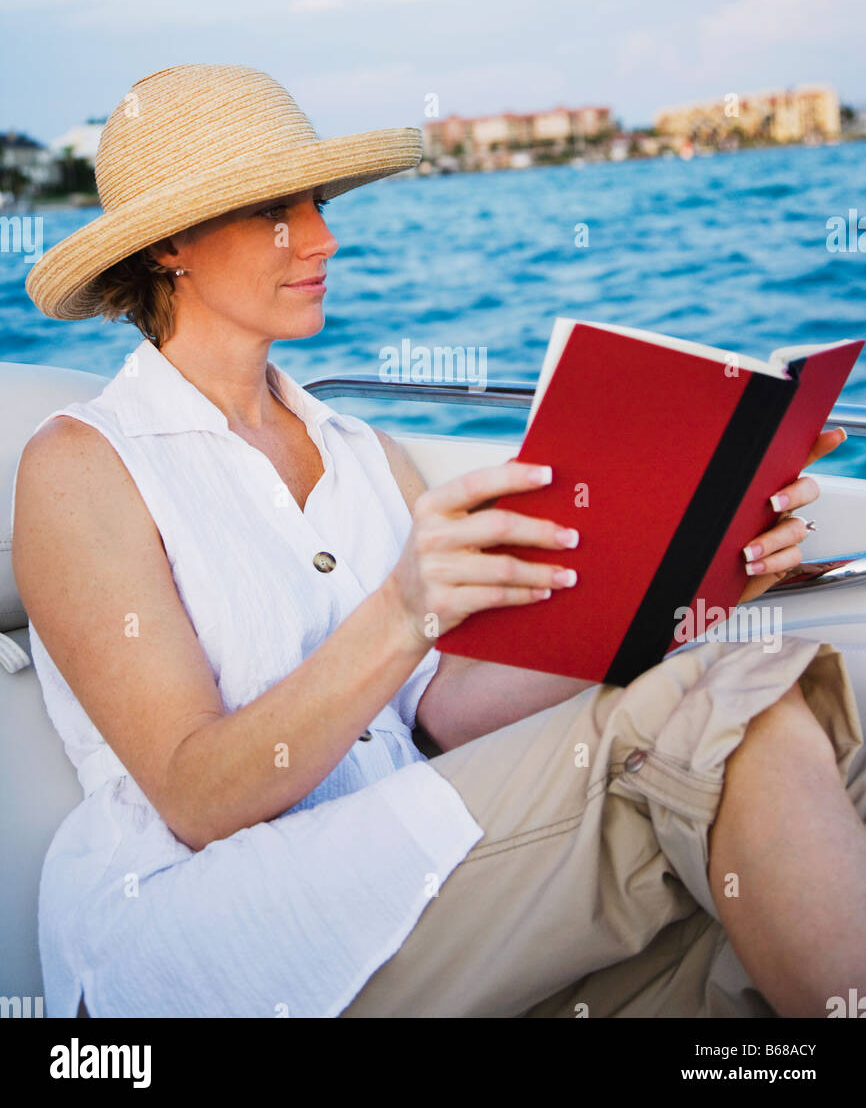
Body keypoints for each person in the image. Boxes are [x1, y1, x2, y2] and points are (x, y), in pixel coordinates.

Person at [11, 63, 866, 1020]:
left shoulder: (363, 451)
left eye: (320, 202)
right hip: (212, 932)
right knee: (718, 720)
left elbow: (447, 715)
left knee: (779, 792)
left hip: (407, 868)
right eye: (278, 212)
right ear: (172, 244)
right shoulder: (83, 465)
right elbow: (195, 798)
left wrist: (697, 582)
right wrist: (404, 611)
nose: (325, 237)